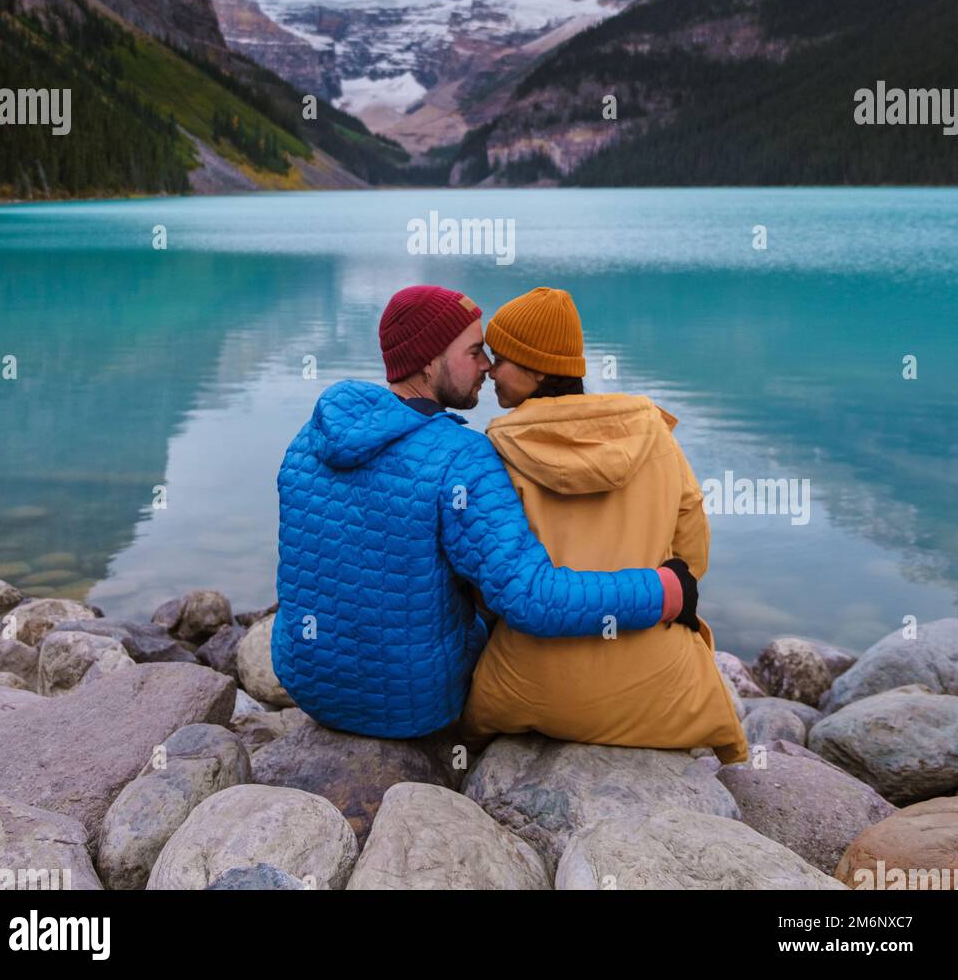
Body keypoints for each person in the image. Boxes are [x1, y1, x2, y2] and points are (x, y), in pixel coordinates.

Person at [272, 285, 698, 740]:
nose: (487, 367)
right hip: (411, 706)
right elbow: (534, 600)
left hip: (307, 683)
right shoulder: (461, 456)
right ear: (429, 361)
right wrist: (664, 590)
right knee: (504, 605)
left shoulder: (310, 437)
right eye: (475, 352)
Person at [459, 286, 748, 764]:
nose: (489, 368)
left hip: (531, 681)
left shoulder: (498, 452)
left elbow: (486, 585)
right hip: (653, 683)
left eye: (502, 357)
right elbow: (691, 553)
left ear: (537, 369)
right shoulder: (652, 434)